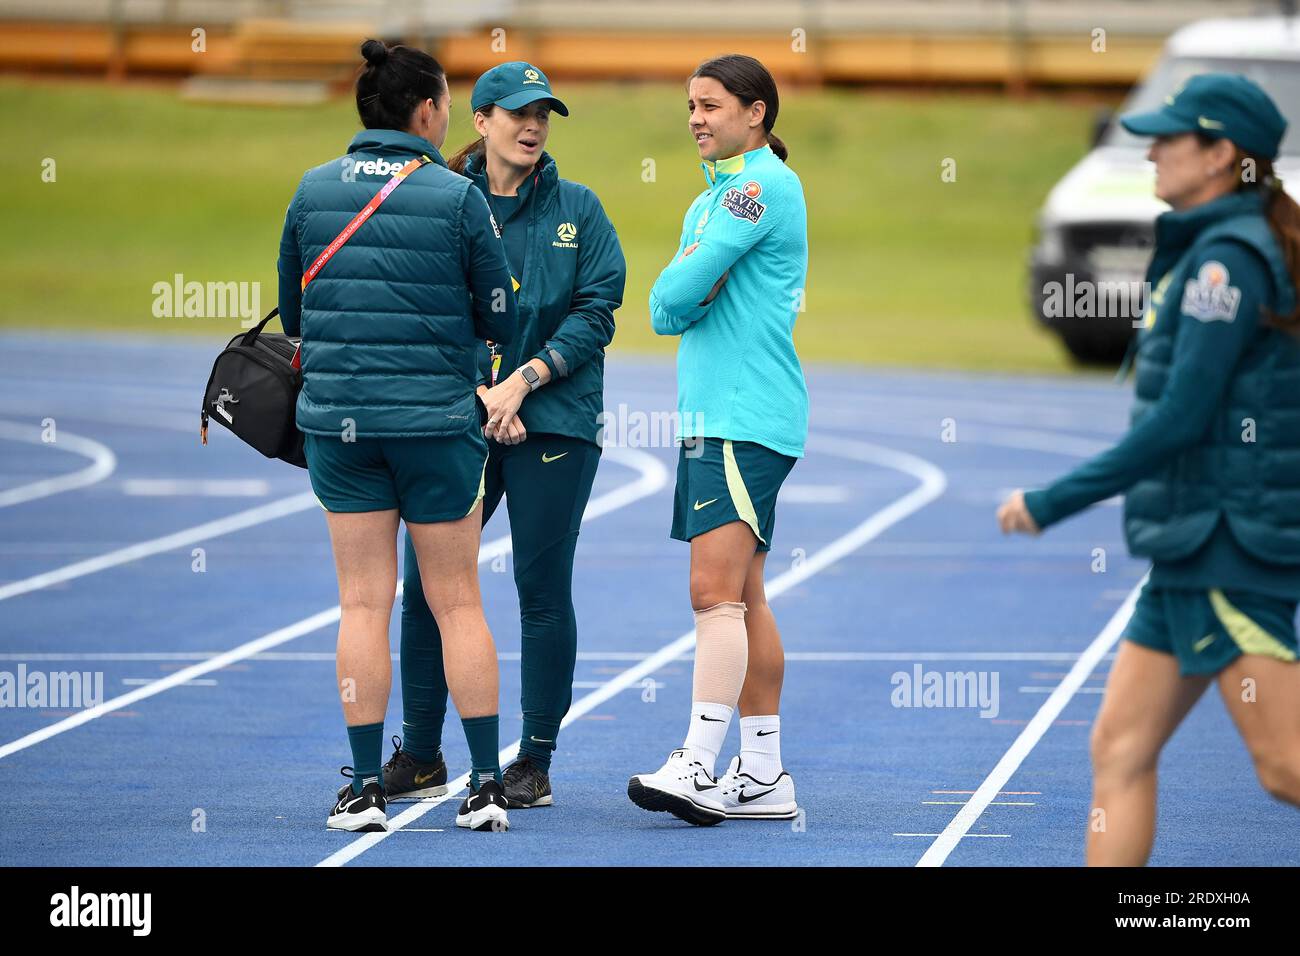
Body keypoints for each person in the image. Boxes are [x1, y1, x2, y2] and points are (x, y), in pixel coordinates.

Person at [998, 73, 1300, 865]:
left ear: (1221, 155)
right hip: (1186, 550)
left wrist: (1051, 499)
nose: (1152, 152)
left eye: (1170, 138)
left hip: (1226, 547)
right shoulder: (1209, 249)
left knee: (1286, 768)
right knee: (1120, 750)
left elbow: (1181, 419)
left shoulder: (1225, 267)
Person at [277, 39, 518, 833]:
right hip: (438, 426)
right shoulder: (456, 197)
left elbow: (296, 311)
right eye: (447, 103)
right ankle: (484, 787)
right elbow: (499, 311)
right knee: (457, 602)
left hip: (342, 428)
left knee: (361, 605)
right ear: (426, 112)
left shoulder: (312, 192)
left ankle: (364, 787)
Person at [382, 61, 626, 810]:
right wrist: (481, 390)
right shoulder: (446, 205)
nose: (532, 126)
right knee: (426, 587)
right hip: (461, 419)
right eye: (517, 113)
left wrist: (525, 380)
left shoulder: (578, 208)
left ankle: (536, 762)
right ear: (479, 120)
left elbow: (598, 308)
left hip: (554, 419)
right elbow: (427, 313)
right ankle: (421, 753)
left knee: (540, 589)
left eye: (543, 115)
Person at [627, 54, 808, 825]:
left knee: (713, 597)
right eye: (690, 106)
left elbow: (668, 295)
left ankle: (699, 762)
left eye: (710, 105)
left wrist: (694, 284)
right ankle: (762, 774)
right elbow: (668, 310)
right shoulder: (717, 198)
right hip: (727, 419)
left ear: (755, 112)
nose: (696, 117)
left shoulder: (754, 188)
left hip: (739, 418)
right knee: (744, 596)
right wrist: (695, 285)